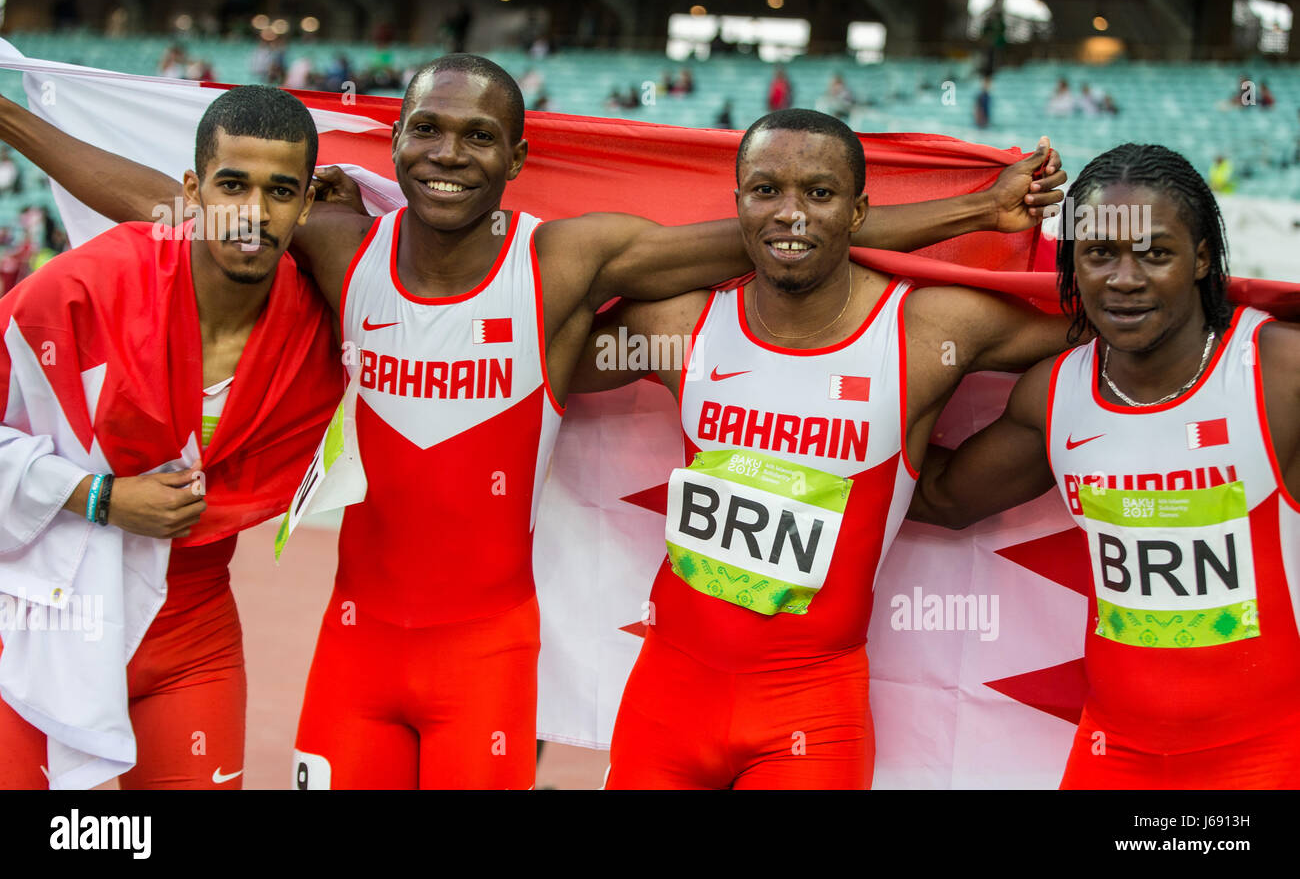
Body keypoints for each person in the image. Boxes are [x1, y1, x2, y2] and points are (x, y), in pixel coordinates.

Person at [0, 56, 1066, 789]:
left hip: (486, 663)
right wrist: (10, 115)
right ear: (398, 144)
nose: (448, 152)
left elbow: (774, 235)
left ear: (514, 161)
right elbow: (168, 204)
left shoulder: (560, 263)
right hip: (352, 655)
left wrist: (974, 211)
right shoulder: (332, 243)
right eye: (425, 128)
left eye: (477, 137)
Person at [572, 109, 1071, 789]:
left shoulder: (925, 330)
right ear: (737, 202)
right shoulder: (682, 324)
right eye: (765, 191)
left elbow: (1109, 334)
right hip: (667, 698)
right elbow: (539, 351)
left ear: (860, 210)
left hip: (812, 715)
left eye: (820, 193)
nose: (791, 213)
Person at [906, 143, 1300, 788]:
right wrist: (821, 435)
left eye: (1155, 253)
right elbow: (945, 498)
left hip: (1270, 756)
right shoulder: (1055, 393)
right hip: (1113, 757)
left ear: (1202, 257)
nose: (1123, 279)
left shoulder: (1279, 375)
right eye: (1099, 254)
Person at [0, 86, 344, 789]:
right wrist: (94, 494)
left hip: (192, 637)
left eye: (281, 191)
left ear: (307, 205)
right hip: (39, 619)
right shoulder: (90, 286)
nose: (253, 213)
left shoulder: (328, 321)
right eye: (232, 186)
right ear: (193, 190)